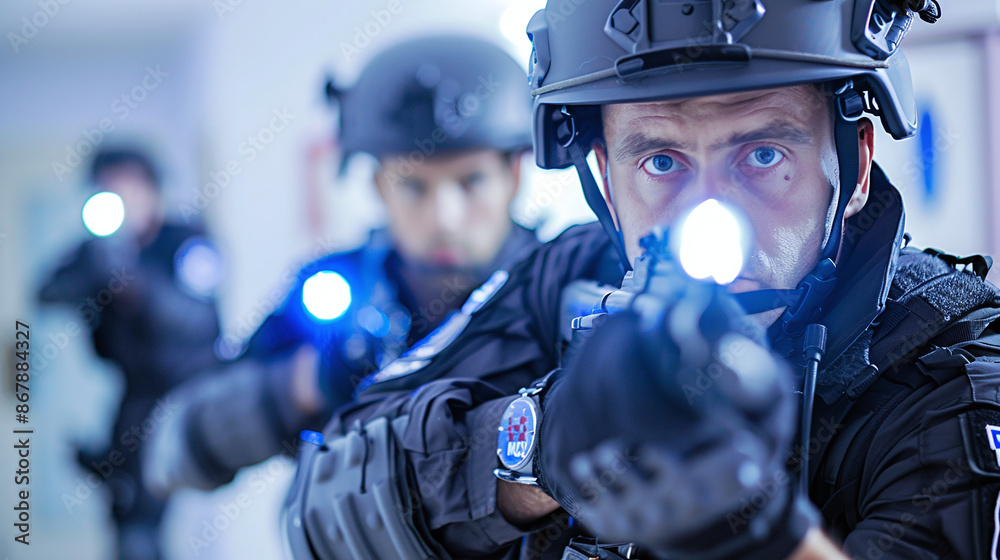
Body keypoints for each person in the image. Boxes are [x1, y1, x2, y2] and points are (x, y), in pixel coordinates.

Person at [283, 0, 1000, 559]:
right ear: (604, 178)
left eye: (760, 155)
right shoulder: (567, 275)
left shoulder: (954, 381)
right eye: (661, 162)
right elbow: (318, 514)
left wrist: (756, 536)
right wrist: (534, 450)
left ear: (856, 160)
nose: (710, 218)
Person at [142, 34, 540, 496]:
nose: (443, 217)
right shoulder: (336, 287)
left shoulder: (562, 282)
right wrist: (302, 382)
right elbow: (169, 452)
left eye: (471, 181)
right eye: (414, 186)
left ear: (513, 176)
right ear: (378, 185)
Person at [39, 147, 224, 560]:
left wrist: (136, 283)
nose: (121, 199)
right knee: (129, 514)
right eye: (109, 190)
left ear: (153, 190)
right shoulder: (97, 250)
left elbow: (198, 320)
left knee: (151, 500)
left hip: (190, 390)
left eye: (129, 187)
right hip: (135, 394)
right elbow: (47, 291)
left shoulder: (186, 243)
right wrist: (98, 271)